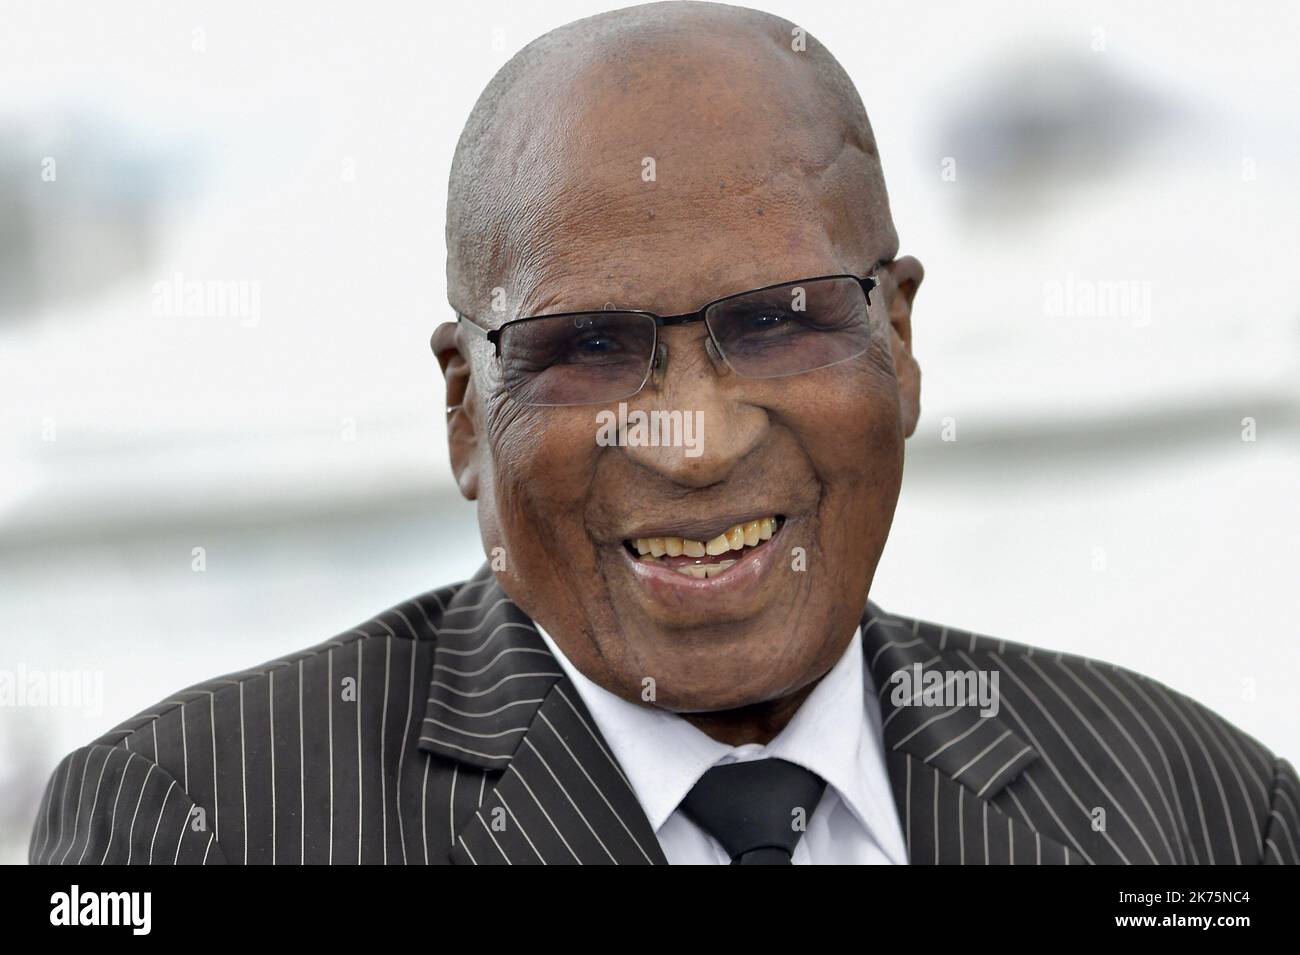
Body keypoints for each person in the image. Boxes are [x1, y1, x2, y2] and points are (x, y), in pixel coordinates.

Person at [30, 1, 1298, 865]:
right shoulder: (195, 820)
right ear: (466, 412)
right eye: (585, 347)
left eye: (780, 321)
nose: (690, 441)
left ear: (900, 345)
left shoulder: (1196, 809)